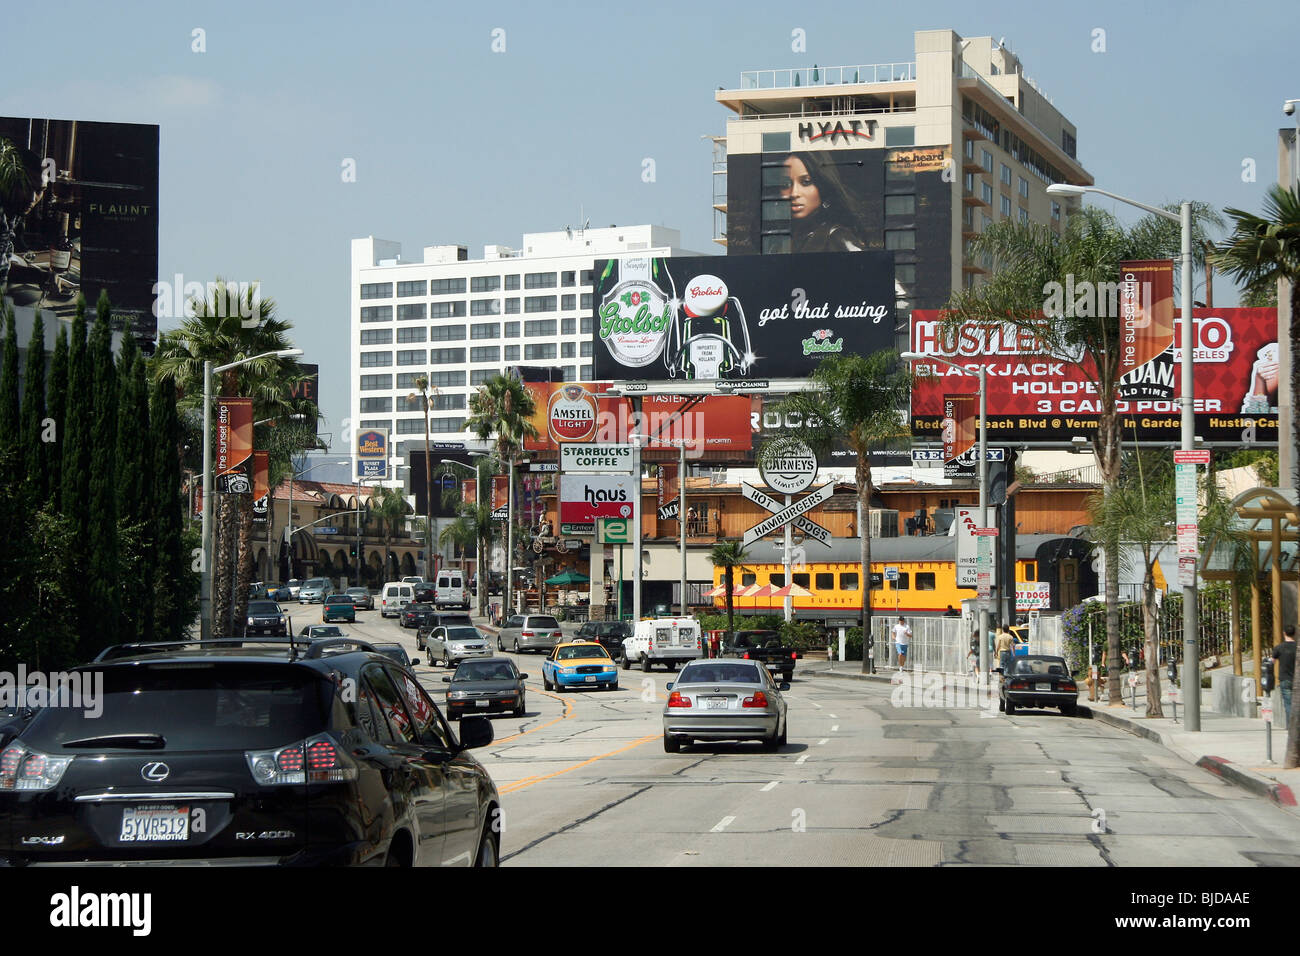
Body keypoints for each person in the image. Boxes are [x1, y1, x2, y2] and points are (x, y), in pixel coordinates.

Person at [779, 152, 867, 253]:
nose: (794, 193)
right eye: (786, 184)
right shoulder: (788, 238)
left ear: (823, 186)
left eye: (806, 182)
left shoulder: (838, 237)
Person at [1273, 625, 1296, 724]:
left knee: (1288, 704)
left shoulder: (1279, 648)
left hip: (1285, 679)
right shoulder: (1298, 647)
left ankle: (1290, 727)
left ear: (1284, 633)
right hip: (1297, 679)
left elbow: (1272, 661)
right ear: (1295, 634)